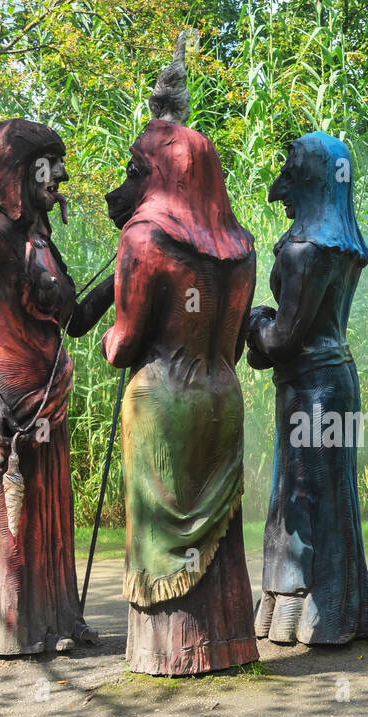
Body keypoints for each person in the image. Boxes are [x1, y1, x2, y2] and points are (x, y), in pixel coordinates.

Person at [0, 118, 115, 657]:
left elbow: (73, 320)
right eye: (52, 163)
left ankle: (53, 619)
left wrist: (123, 273)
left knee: (48, 523)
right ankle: (7, 630)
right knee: (9, 524)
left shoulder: (40, 239)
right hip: (2, 416)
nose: (61, 175)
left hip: (48, 412)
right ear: (22, 169)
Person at [99, 45, 259, 675]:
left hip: (163, 402)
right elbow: (238, 338)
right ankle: (227, 644)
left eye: (138, 168)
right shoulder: (242, 248)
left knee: (164, 542)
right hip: (222, 398)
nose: (130, 180)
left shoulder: (143, 239)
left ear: (158, 171)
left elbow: (127, 342)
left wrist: (107, 336)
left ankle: (169, 654)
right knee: (221, 547)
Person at [246, 132, 368, 646]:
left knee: (300, 494)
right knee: (325, 492)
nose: (278, 188)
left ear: (308, 178)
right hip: (335, 379)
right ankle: (336, 609)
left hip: (309, 385)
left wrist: (252, 323)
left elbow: (283, 338)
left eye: (289, 172)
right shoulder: (340, 247)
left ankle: (307, 612)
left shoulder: (305, 250)